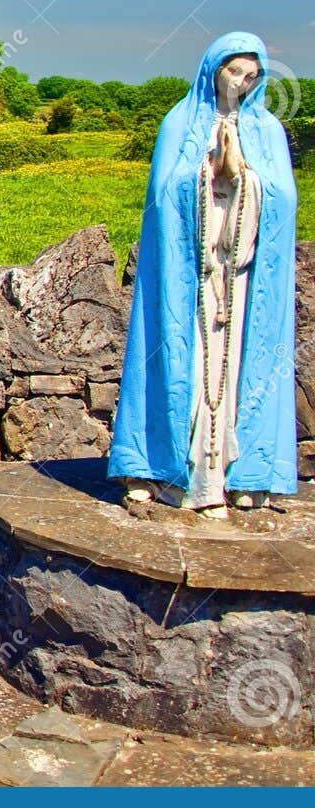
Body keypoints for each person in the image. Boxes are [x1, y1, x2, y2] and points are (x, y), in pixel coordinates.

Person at [108, 32, 298, 519]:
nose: (242, 82)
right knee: (180, 366)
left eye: (252, 75)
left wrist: (245, 178)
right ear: (213, 69)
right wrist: (209, 170)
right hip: (189, 277)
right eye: (234, 71)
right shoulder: (181, 121)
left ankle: (245, 475)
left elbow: (283, 199)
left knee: (238, 372)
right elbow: (164, 194)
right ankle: (164, 469)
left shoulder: (268, 129)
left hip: (242, 278)